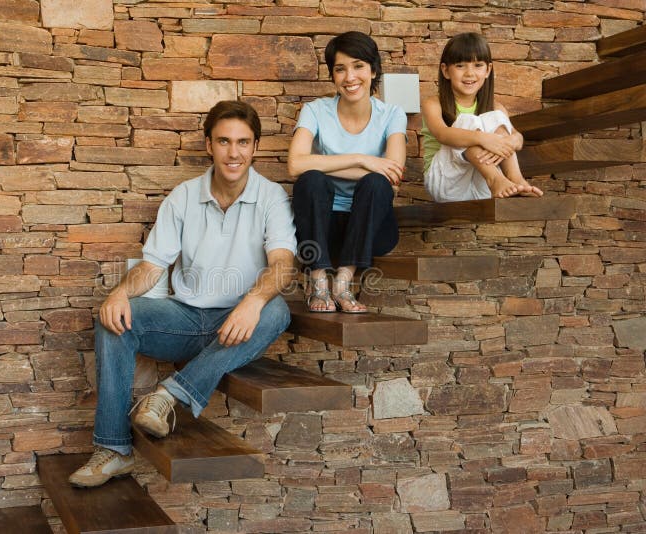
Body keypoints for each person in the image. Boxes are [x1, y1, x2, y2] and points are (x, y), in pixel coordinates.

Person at [69, 100, 297, 488]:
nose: (234, 152)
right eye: (224, 141)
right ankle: (113, 450)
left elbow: (282, 265)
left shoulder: (272, 197)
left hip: (239, 324)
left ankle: (169, 396)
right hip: (187, 320)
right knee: (113, 319)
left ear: (255, 146)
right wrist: (119, 294)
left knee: (277, 310)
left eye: (243, 142)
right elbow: (152, 267)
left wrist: (251, 302)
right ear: (209, 145)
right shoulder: (183, 197)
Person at [288, 31, 406, 314]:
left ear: (373, 70)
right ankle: (317, 279)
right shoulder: (315, 111)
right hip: (322, 226)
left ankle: (343, 281)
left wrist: (338, 165)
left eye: (358, 66)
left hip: (370, 226)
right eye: (340, 69)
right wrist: (363, 159)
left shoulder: (391, 114)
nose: (350, 77)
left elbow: (393, 175)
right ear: (333, 76)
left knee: (376, 183)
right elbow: (296, 165)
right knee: (311, 180)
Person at [421, 32, 544, 203]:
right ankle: (495, 178)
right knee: (467, 121)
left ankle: (515, 179)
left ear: (488, 70)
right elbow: (442, 134)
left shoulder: (495, 107)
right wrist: (483, 138)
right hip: (447, 184)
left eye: (478, 65)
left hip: (481, 187)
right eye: (460, 66)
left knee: (496, 116)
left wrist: (511, 141)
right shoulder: (433, 103)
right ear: (445, 71)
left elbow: (517, 138)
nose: (470, 73)